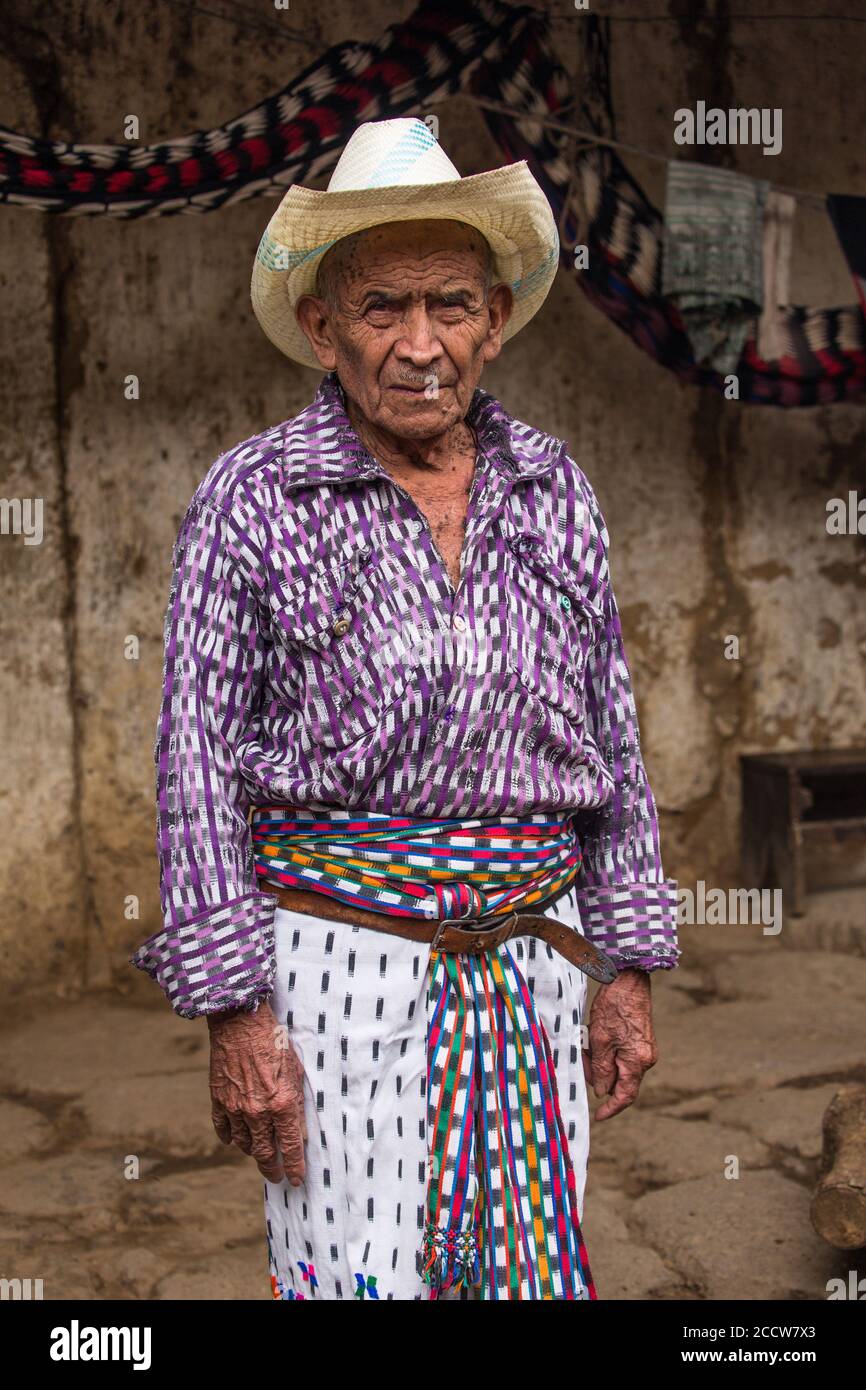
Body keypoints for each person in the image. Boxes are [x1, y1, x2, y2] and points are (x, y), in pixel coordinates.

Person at [131, 117, 679, 1301]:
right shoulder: (253, 495)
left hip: (533, 962)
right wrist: (234, 1017)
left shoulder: (552, 489)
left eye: (449, 305)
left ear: (492, 318)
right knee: (354, 1277)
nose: (419, 344)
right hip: (334, 973)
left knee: (516, 1272)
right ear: (322, 326)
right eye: (382, 307)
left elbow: (613, 749)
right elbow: (196, 773)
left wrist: (624, 967)